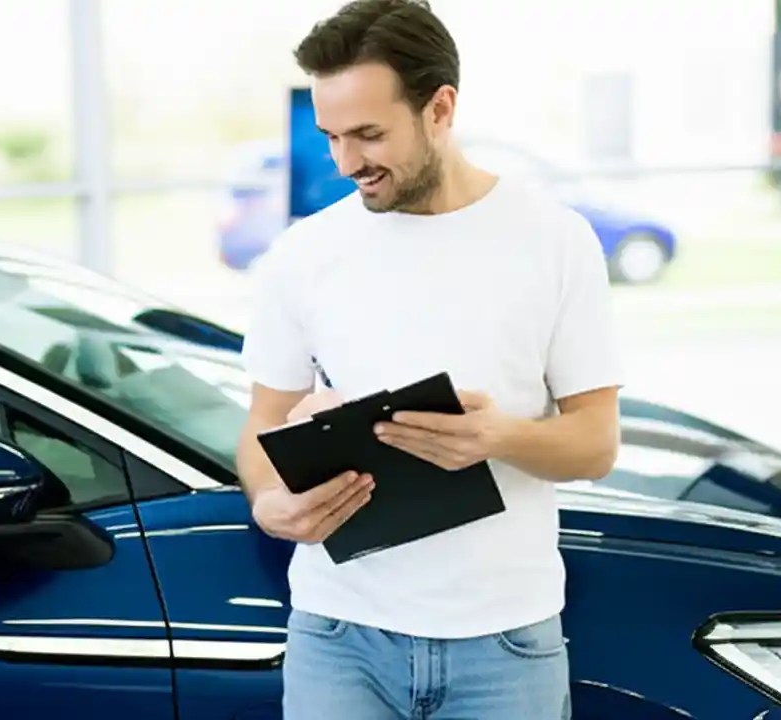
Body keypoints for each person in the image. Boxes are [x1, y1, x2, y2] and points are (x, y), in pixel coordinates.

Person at [234, 1, 624, 718]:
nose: (347, 162)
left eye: (369, 135)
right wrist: (270, 504)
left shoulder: (555, 241)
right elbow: (262, 424)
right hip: (337, 637)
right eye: (331, 137)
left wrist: (499, 436)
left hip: (504, 645)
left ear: (440, 109)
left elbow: (595, 443)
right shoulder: (302, 256)